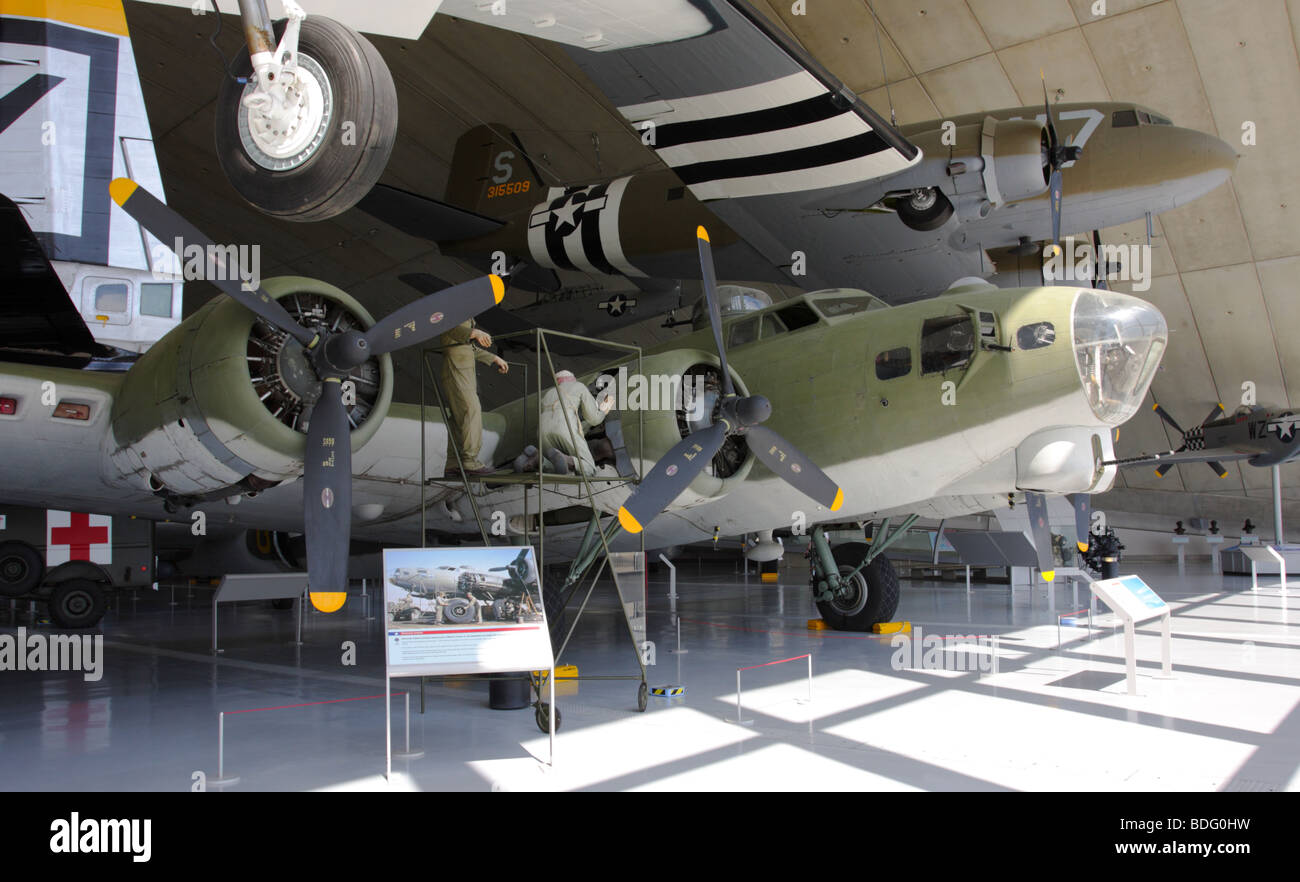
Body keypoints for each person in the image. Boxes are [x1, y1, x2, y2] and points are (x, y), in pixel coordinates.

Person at [439, 318, 507, 475]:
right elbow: (448, 328)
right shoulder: (452, 312)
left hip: (462, 371)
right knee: (471, 411)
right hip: (457, 370)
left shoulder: (464, 316)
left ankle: (453, 463)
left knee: (459, 418)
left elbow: (468, 347)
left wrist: (494, 358)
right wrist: (473, 333)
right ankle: (470, 461)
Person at [515, 370, 610, 476]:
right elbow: (593, 419)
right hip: (565, 428)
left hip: (542, 432)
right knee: (590, 469)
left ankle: (538, 459)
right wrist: (604, 411)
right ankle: (568, 460)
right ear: (572, 378)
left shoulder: (548, 393)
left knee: (555, 466)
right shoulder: (579, 386)